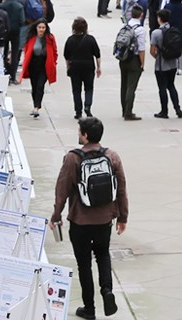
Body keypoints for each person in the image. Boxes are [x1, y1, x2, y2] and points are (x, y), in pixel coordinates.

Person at [50, 117, 129, 320]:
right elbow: (121, 189)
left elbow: (62, 191)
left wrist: (56, 216)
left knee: (84, 263)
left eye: (79, 132)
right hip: (105, 219)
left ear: (85, 135)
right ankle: (107, 290)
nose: (78, 134)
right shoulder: (112, 156)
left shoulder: (72, 158)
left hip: (80, 221)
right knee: (103, 255)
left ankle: (89, 308)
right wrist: (122, 217)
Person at [64, 17, 101, 120]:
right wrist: (99, 67)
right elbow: (97, 55)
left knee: (76, 90)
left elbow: (66, 56)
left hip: (75, 66)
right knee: (89, 88)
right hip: (88, 66)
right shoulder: (90, 39)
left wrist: (68, 67)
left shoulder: (70, 40)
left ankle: (78, 111)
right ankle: (87, 105)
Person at [151, 9, 182, 119]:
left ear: (159, 19)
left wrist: (158, 57)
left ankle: (164, 111)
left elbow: (152, 50)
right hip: (173, 64)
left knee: (162, 88)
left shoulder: (156, 33)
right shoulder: (174, 30)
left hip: (161, 65)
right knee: (171, 86)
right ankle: (177, 108)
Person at [22, 22, 58, 118]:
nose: (41, 29)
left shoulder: (50, 38)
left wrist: (53, 62)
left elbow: (54, 51)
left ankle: (36, 107)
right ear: (36, 28)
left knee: (40, 86)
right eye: (40, 27)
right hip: (33, 64)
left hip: (44, 64)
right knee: (34, 86)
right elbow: (27, 50)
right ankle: (35, 104)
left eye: (43, 27)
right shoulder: (31, 37)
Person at [119, 6, 147, 121]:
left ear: (130, 15)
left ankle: (124, 109)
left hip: (123, 58)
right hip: (134, 59)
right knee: (131, 87)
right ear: (141, 15)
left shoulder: (124, 26)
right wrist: (142, 63)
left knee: (124, 85)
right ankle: (128, 112)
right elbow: (141, 48)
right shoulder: (140, 29)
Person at [1, 0, 27, 84]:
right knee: (15, 53)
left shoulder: (3, 5)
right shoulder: (19, 6)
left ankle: (6, 69)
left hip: (5, 31)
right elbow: (22, 21)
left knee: (4, 52)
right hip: (16, 31)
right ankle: (13, 76)